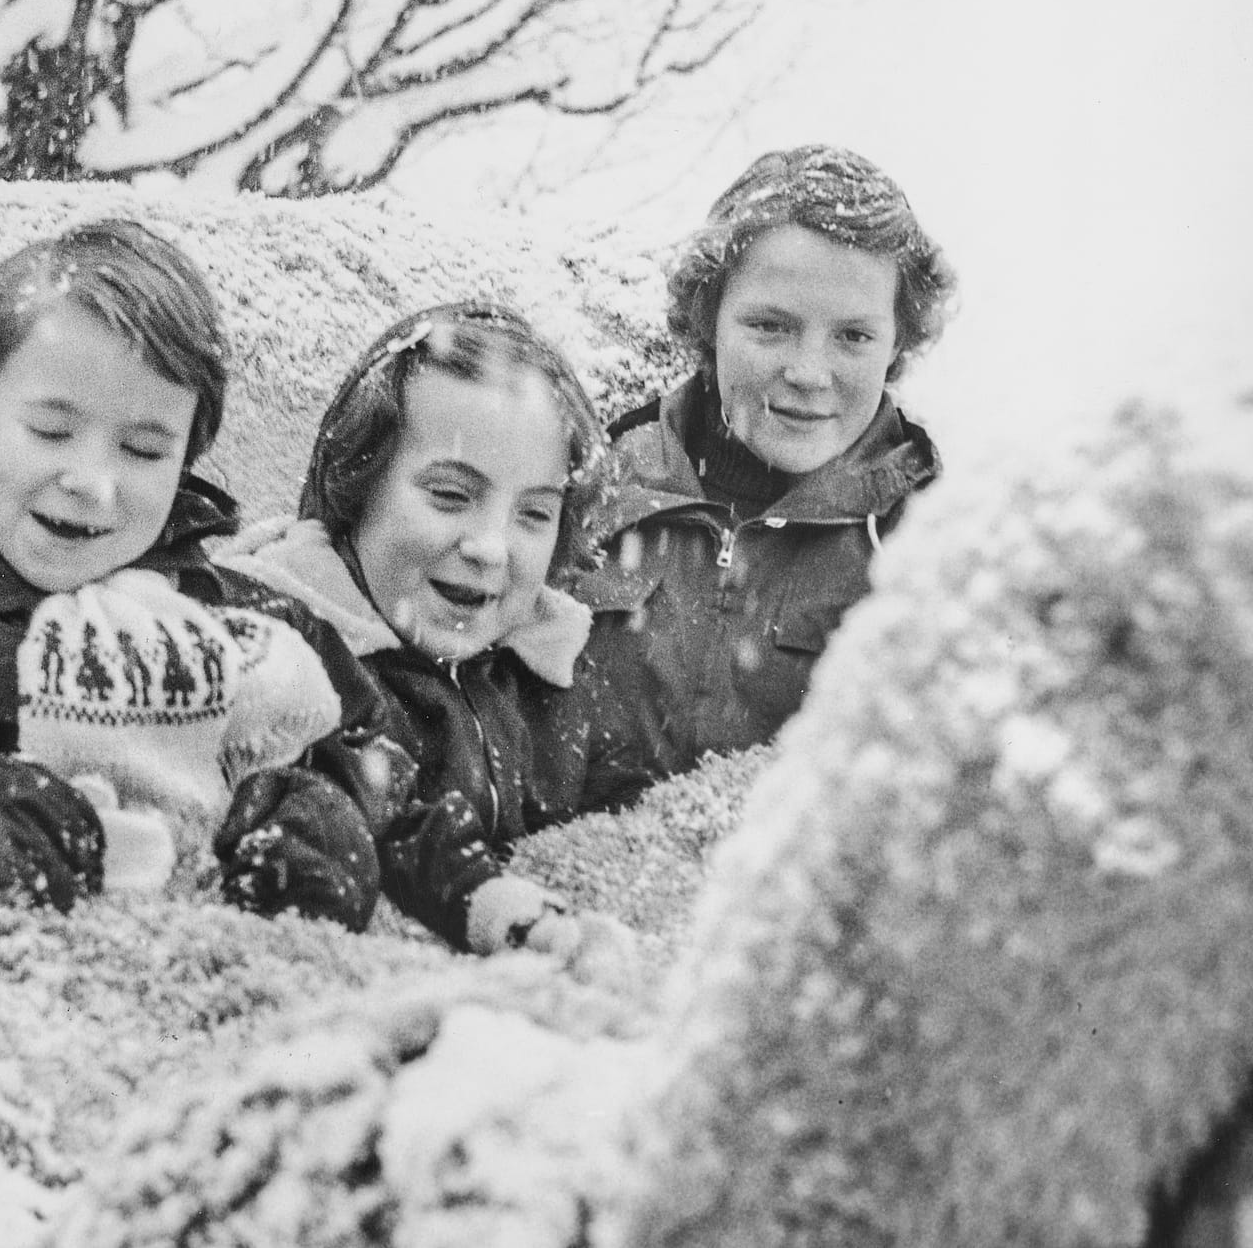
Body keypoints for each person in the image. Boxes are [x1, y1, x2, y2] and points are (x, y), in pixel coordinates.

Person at [0, 220, 406, 925]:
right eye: (51, 431)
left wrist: (307, 811)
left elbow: (378, 760)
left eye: (144, 450)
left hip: (212, 968)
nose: (91, 481)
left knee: (313, 820)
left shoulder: (247, 626)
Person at [222, 302, 644, 957]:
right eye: (450, 496)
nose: (491, 548)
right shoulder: (284, 653)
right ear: (355, 487)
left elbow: (625, 805)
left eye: (533, 514)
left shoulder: (547, 667)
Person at [572, 143, 958, 779]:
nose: (808, 373)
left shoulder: (932, 544)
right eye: (770, 326)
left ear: (897, 343)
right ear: (709, 318)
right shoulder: (594, 487)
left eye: (853, 337)